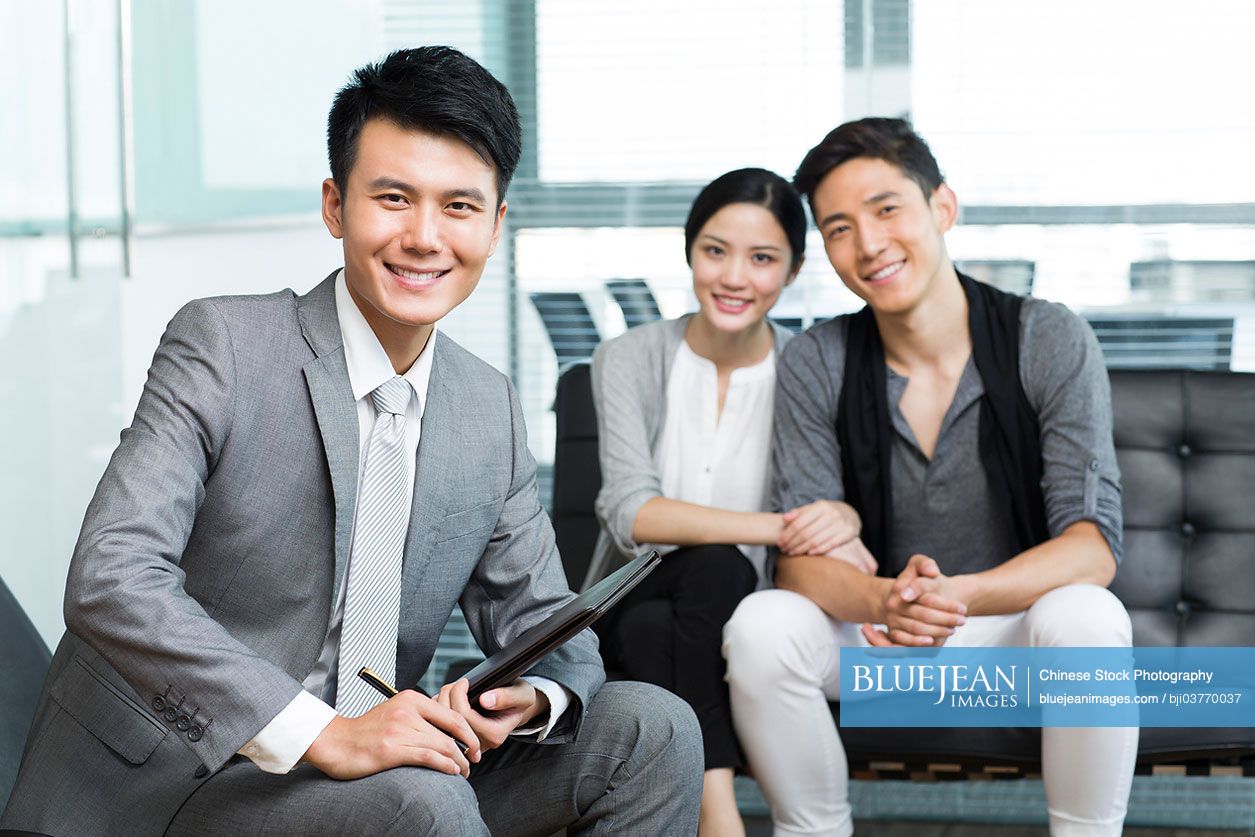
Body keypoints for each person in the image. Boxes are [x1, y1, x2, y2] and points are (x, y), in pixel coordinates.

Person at [0, 46, 702, 836]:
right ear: (336, 205)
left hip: (360, 781)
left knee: (651, 728)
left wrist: (527, 699)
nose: (425, 237)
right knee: (423, 802)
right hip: (173, 779)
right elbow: (111, 575)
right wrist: (326, 731)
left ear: (497, 224)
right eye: (393, 198)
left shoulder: (485, 406)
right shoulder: (225, 343)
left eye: (460, 207)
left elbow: (547, 625)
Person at [721, 118, 1135, 837]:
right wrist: (890, 599)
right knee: (761, 625)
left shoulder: (1046, 336)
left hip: (1010, 640)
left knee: (1089, 616)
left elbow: (1090, 547)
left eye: (887, 209)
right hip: (880, 639)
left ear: (941, 207)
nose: (869, 244)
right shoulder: (816, 359)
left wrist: (958, 596)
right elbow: (799, 565)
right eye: (839, 228)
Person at [589, 168, 833, 837]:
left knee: (658, 633)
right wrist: (776, 528)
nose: (733, 277)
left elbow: (832, 504)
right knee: (717, 563)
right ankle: (718, 811)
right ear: (689, 250)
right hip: (627, 592)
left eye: (762, 259)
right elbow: (631, 513)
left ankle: (696, 807)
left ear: (793, 269)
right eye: (714, 250)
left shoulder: (807, 370)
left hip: (745, 621)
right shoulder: (628, 357)